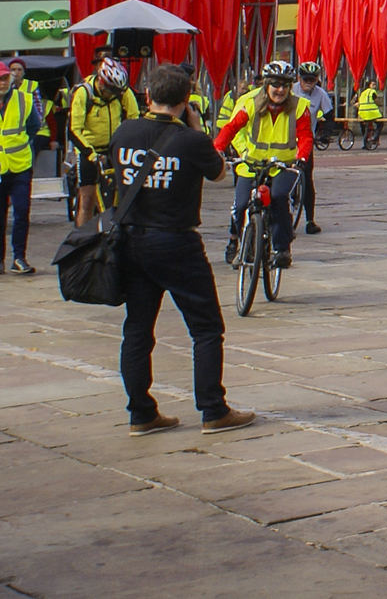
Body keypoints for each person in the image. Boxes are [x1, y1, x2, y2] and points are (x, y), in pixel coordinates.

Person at [90, 66, 255, 436]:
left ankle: (141, 413)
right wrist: (194, 127)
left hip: (131, 240)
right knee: (206, 328)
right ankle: (213, 409)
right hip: (177, 242)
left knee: (137, 330)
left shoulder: (124, 132)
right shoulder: (190, 140)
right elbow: (218, 173)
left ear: (147, 97)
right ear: (186, 102)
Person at [213, 61, 314, 270]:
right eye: (276, 84)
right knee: (241, 205)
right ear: (266, 84)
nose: (280, 90)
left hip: (282, 166)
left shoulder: (299, 107)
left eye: (285, 85)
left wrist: (301, 158)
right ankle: (237, 239)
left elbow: (305, 137)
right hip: (251, 164)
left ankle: (281, 248)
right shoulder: (250, 103)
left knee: (278, 198)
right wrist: (217, 150)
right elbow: (231, 128)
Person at [69, 55, 140, 216]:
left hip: (113, 148)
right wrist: (92, 155)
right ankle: (83, 238)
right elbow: (74, 130)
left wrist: (127, 143)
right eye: (110, 91)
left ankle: (113, 232)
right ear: (101, 82)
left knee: (118, 197)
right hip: (88, 150)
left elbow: (134, 119)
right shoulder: (83, 93)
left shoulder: (122, 91)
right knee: (88, 200)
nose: (113, 95)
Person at [0, 61, 46, 274]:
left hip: (20, 165)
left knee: (21, 212)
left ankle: (19, 257)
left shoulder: (23, 99)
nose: (2, 83)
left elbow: (34, 127)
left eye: (4, 78)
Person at [293, 62, 332, 234]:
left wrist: (326, 134)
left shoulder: (320, 94)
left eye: (312, 80)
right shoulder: (291, 90)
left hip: (305, 141)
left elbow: (330, 116)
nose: (309, 83)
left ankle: (310, 220)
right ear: (298, 78)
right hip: (285, 141)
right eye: (305, 79)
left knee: (307, 181)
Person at [355, 78, 383, 149]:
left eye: (375, 84)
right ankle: (375, 137)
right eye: (373, 84)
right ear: (369, 85)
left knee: (367, 127)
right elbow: (376, 101)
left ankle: (365, 144)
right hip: (372, 112)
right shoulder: (372, 92)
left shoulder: (363, 92)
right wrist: (381, 104)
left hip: (362, 113)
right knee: (380, 124)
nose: (374, 86)